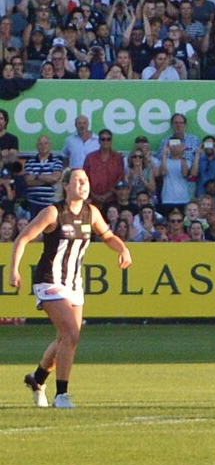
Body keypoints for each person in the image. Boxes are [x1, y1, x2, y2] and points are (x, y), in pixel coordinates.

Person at [10, 167, 132, 408]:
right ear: (65, 185)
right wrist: (14, 269)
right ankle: (61, 395)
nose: (83, 185)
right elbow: (22, 238)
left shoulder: (92, 213)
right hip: (49, 280)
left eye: (85, 180)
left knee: (67, 339)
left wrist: (122, 248)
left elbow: (107, 236)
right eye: (77, 180)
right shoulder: (53, 212)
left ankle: (37, 379)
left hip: (73, 284)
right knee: (71, 334)